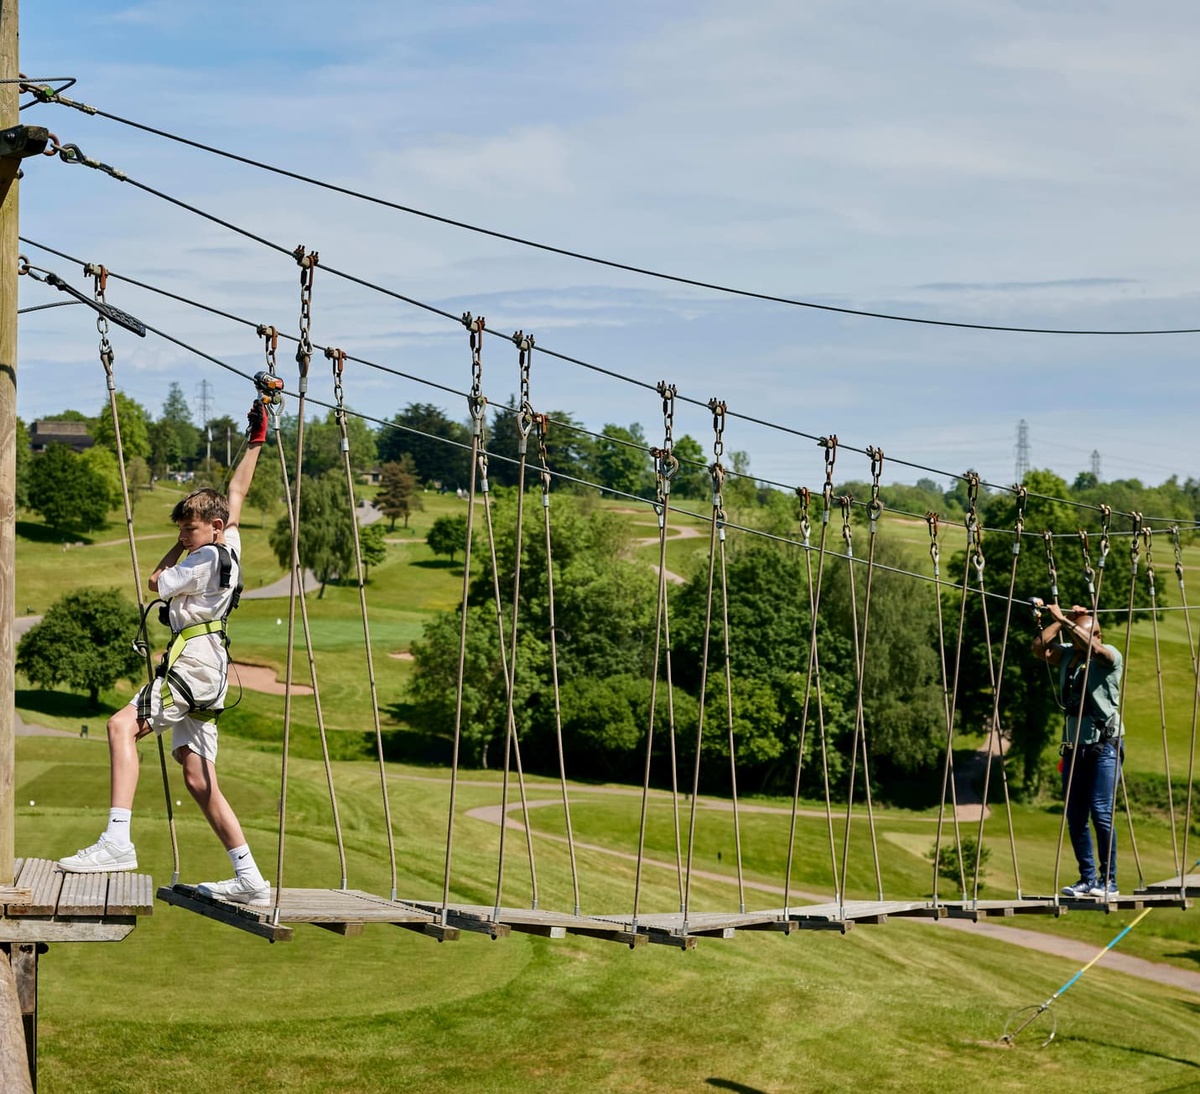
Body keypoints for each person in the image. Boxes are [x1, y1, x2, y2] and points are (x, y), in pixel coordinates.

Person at [57, 397, 273, 906]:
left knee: (119, 727)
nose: (184, 536)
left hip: (192, 666)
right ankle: (250, 878)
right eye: (181, 530)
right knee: (197, 776)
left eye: (190, 528)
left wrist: (177, 549)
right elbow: (237, 493)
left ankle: (117, 840)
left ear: (212, 527)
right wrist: (257, 442)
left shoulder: (201, 559)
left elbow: (156, 581)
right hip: (209, 671)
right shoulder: (229, 547)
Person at [1031, 600, 1124, 899]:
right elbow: (1039, 648)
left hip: (1104, 745)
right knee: (1075, 815)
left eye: (1078, 636)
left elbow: (1095, 649)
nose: (1075, 643)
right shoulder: (1070, 656)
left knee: (1101, 812)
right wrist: (1063, 619)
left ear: (1098, 634)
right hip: (1075, 747)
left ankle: (1108, 880)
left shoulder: (1109, 657)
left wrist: (1067, 622)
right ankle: (1087, 878)